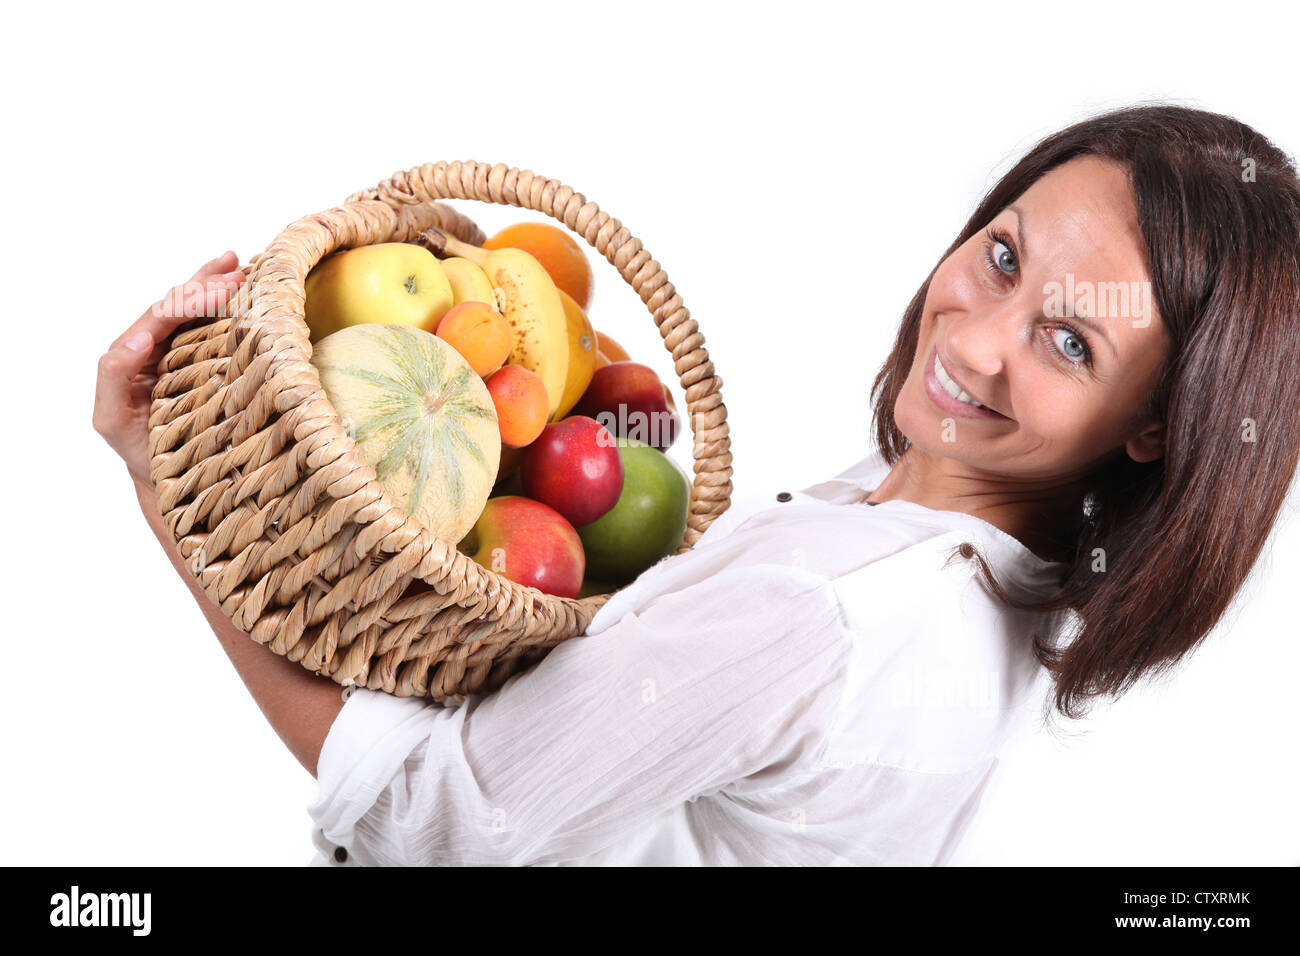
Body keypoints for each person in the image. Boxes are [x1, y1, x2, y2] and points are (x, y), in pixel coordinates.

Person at [94, 104, 1300, 866]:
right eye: (1001, 255)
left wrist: (164, 482)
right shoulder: (977, 553)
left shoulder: (829, 611)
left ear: (1153, 425)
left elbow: (436, 820)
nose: (976, 341)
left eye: (1070, 342)